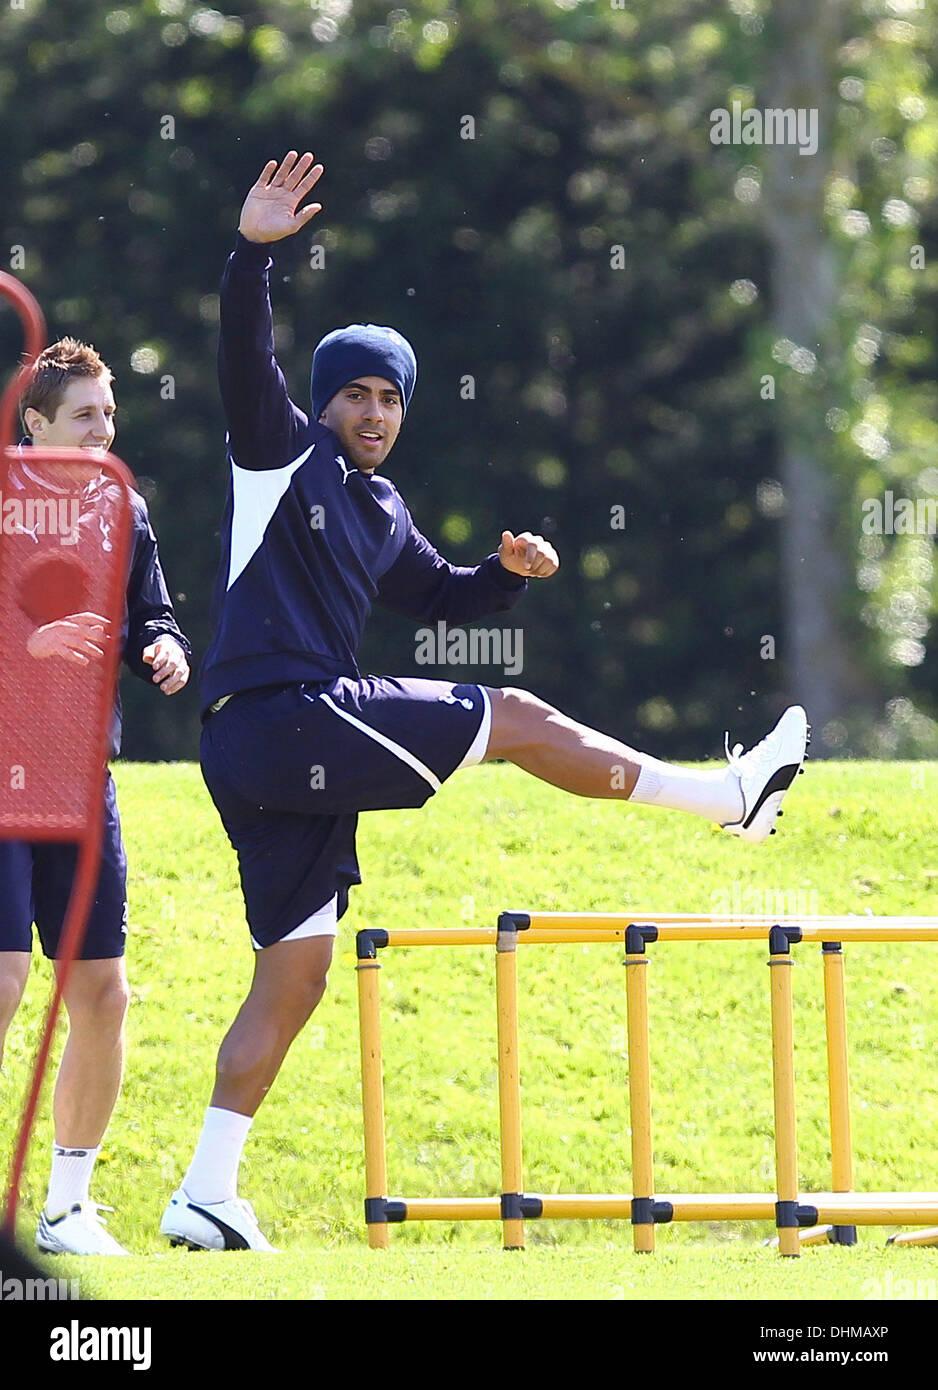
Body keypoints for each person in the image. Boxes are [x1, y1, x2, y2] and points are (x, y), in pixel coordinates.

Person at [161, 151, 807, 1252]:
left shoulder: (382, 505)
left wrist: (505, 572)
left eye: (387, 397)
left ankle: (204, 1193)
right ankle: (725, 798)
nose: (371, 412)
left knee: (300, 967)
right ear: (320, 403)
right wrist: (251, 254)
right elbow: (239, 352)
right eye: (354, 392)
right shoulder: (278, 457)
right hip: (280, 711)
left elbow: (439, 601)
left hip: (269, 749)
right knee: (508, 720)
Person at [0, 337, 191, 1256]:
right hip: (1, 782)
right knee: (2, 982)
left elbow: (150, 612)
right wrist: (25, 646)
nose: (104, 431)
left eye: (110, 415)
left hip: (82, 784)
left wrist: (166, 646)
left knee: (103, 995)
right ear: (35, 426)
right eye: (85, 416)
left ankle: (67, 1209)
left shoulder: (125, 509)